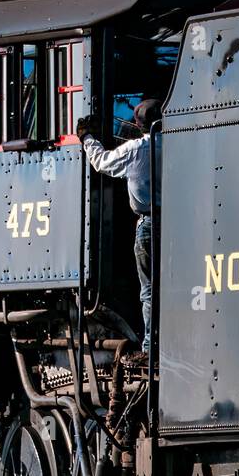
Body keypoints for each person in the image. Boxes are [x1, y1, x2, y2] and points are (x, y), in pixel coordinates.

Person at [75, 98, 161, 359]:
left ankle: (150, 348)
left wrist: (87, 137)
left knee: (149, 290)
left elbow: (101, 162)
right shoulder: (181, 144)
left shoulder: (135, 149)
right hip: (178, 224)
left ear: (138, 124)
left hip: (148, 223)